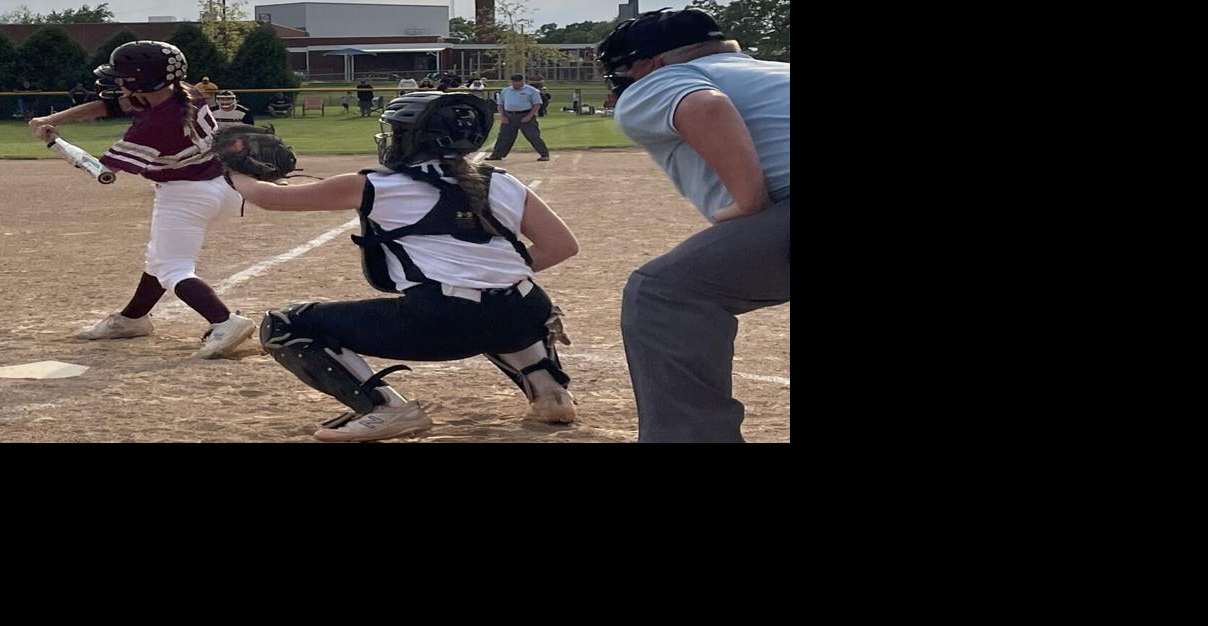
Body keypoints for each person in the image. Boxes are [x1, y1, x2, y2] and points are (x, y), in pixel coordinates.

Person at [226, 92, 579, 442]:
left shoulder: (379, 185)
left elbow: (268, 198)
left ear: (410, 137)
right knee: (500, 301)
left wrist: (230, 171)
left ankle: (383, 408)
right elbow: (562, 246)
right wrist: (494, 276)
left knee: (285, 324)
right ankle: (551, 393)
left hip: (445, 323)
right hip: (528, 311)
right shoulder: (502, 180)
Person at [598, 9, 790, 442]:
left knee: (664, 293)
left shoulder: (665, 78)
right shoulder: (776, 71)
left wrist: (748, 199)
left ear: (650, 62)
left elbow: (705, 105)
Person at [28, 41, 255, 357]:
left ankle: (225, 321)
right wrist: (53, 119)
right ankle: (132, 319)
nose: (116, 82)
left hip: (186, 193)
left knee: (172, 268)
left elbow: (102, 171)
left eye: (121, 77)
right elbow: (110, 105)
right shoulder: (185, 92)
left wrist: (54, 142)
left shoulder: (155, 125)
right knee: (159, 257)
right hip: (223, 185)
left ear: (142, 81)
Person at [485, 74, 548, 162]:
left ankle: (544, 154)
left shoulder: (532, 91)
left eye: (518, 83)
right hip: (509, 116)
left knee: (533, 136)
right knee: (504, 136)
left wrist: (529, 116)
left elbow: (537, 104)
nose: (516, 85)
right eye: (514, 83)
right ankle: (496, 155)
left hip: (526, 115)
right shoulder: (505, 91)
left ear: (522, 81)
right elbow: (500, 105)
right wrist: (503, 116)